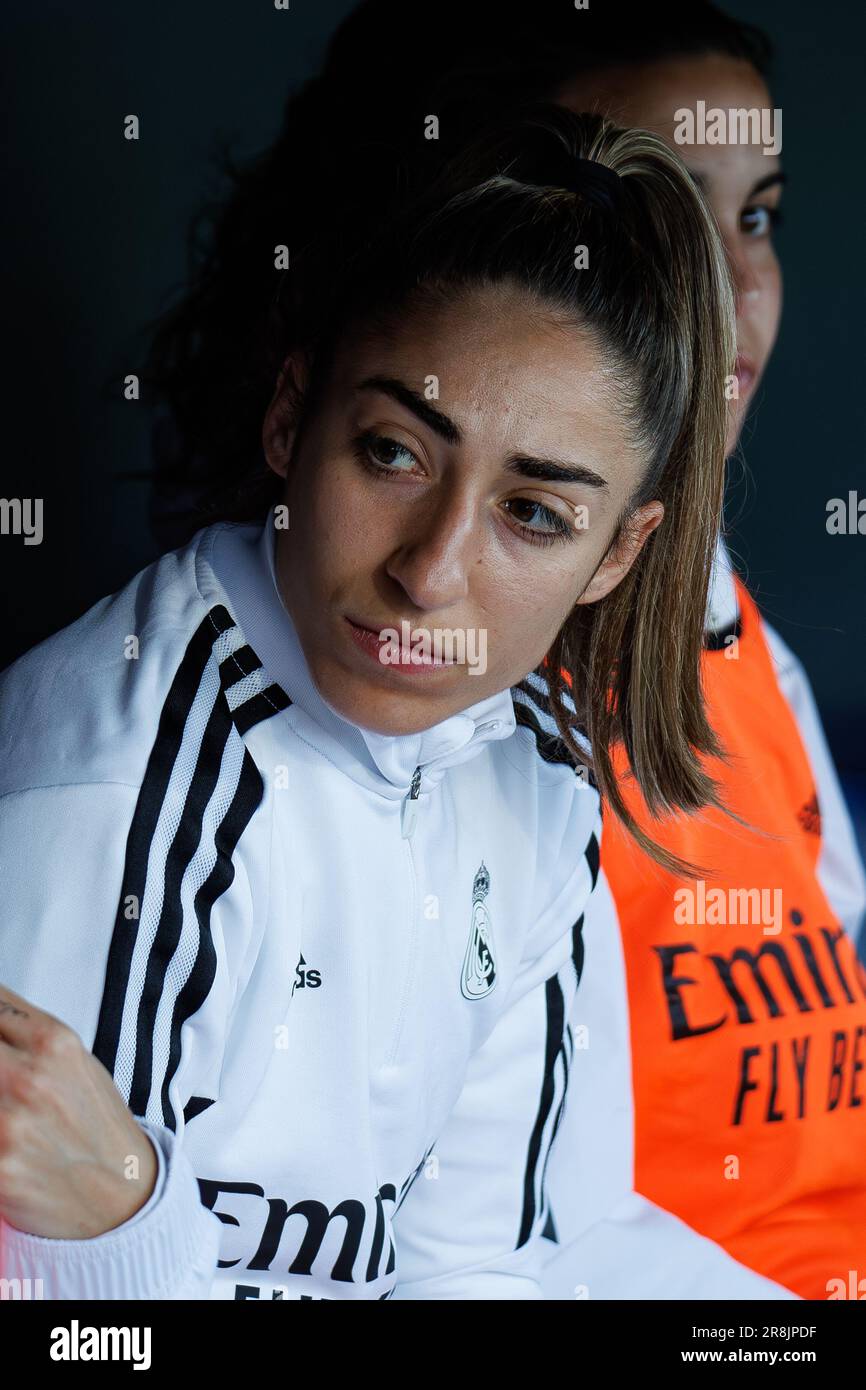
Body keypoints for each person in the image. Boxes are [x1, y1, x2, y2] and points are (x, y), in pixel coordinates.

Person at [142, 0, 866, 1299]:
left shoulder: (736, 633)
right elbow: (494, 1235)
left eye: (752, 215)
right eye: (650, 222)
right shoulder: (421, 687)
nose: (726, 289)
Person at [0, 108, 737, 1299]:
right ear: (292, 416)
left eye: (531, 513)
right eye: (394, 452)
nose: (430, 572)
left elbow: (479, 1267)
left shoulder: (532, 777)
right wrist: (128, 1225)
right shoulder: (109, 793)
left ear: (615, 552)